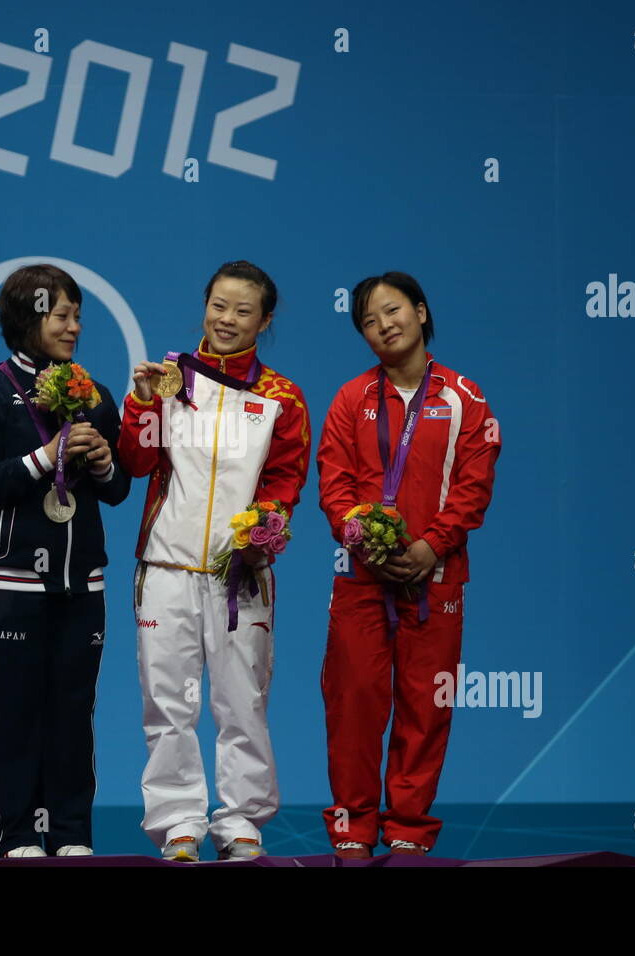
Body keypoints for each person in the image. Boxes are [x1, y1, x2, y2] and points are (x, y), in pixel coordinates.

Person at [118, 260, 310, 862]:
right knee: (167, 701)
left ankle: (242, 823)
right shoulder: (171, 378)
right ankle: (178, 822)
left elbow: (284, 481)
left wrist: (264, 530)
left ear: (265, 321)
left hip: (239, 575)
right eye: (219, 306)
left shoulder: (282, 398)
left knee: (242, 700)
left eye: (243, 310)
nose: (227, 320)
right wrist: (144, 403)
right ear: (204, 306)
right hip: (167, 567)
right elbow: (136, 462)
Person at [316, 271, 500, 858]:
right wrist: (366, 542)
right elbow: (334, 484)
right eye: (368, 321)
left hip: (437, 578)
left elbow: (473, 488)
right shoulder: (350, 399)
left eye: (392, 312)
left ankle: (408, 834)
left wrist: (430, 546)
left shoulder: (465, 398)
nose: (382, 327)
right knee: (354, 706)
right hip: (360, 580)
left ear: (421, 313)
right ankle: (352, 830)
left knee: (425, 707)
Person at [0, 263, 131, 859]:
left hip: (84, 581)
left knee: (75, 712)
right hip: (14, 581)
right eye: (63, 315)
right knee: (16, 711)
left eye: (78, 315)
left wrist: (103, 460)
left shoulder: (95, 394)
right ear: (30, 317)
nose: (75, 327)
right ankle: (16, 835)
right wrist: (43, 456)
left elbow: (117, 489)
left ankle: (72, 834)